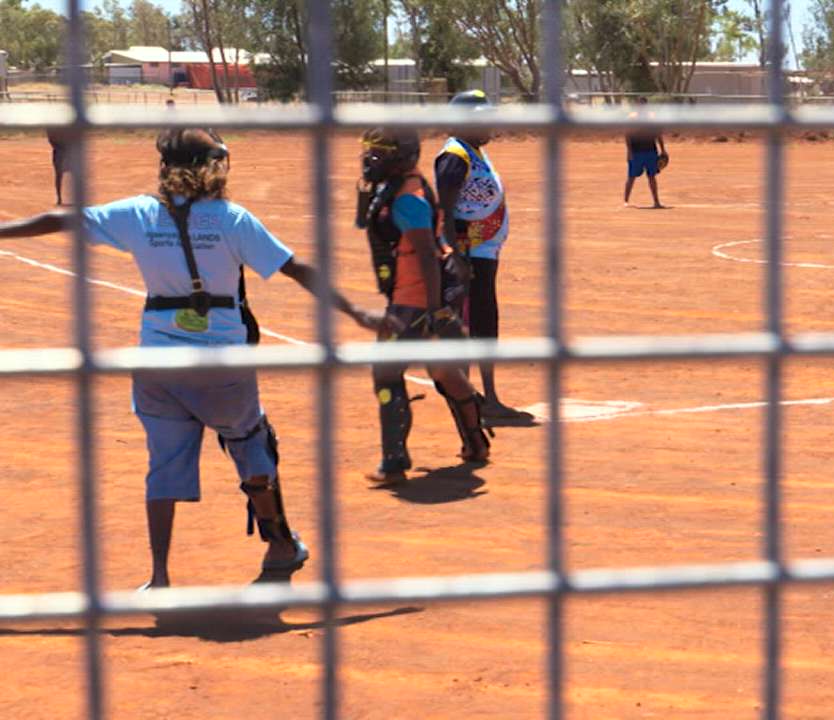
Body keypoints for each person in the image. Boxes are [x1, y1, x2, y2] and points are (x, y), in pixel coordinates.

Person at [0, 128, 383, 588]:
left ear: (165, 168)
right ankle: (280, 545)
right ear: (214, 168)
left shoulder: (139, 215)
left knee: (162, 468)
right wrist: (357, 310)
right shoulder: (232, 219)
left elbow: (57, 219)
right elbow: (296, 269)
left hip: (158, 367)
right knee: (251, 443)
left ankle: (159, 576)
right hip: (221, 365)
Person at [357, 126, 493, 482]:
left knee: (385, 373)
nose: (371, 158)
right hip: (417, 295)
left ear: (400, 157)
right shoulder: (393, 188)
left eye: (379, 151)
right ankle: (476, 442)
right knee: (445, 371)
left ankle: (394, 461)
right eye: (370, 150)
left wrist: (433, 312)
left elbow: (427, 257)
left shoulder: (408, 198)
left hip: (415, 300)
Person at [435, 89, 528, 421]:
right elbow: (443, 210)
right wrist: (455, 256)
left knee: (485, 322)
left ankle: (487, 398)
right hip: (467, 255)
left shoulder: (472, 151)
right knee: (468, 325)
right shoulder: (454, 156)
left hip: (482, 253)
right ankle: (472, 403)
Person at [623, 97, 667, 209]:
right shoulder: (632, 118)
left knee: (651, 176)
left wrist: (663, 149)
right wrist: (629, 151)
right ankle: (626, 201)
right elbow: (627, 135)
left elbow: (658, 135)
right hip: (636, 151)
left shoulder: (652, 118)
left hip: (650, 151)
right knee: (631, 176)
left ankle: (656, 202)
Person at [47, 127, 71, 206]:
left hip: (68, 152)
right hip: (59, 153)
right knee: (59, 175)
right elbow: (51, 140)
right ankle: (59, 198)